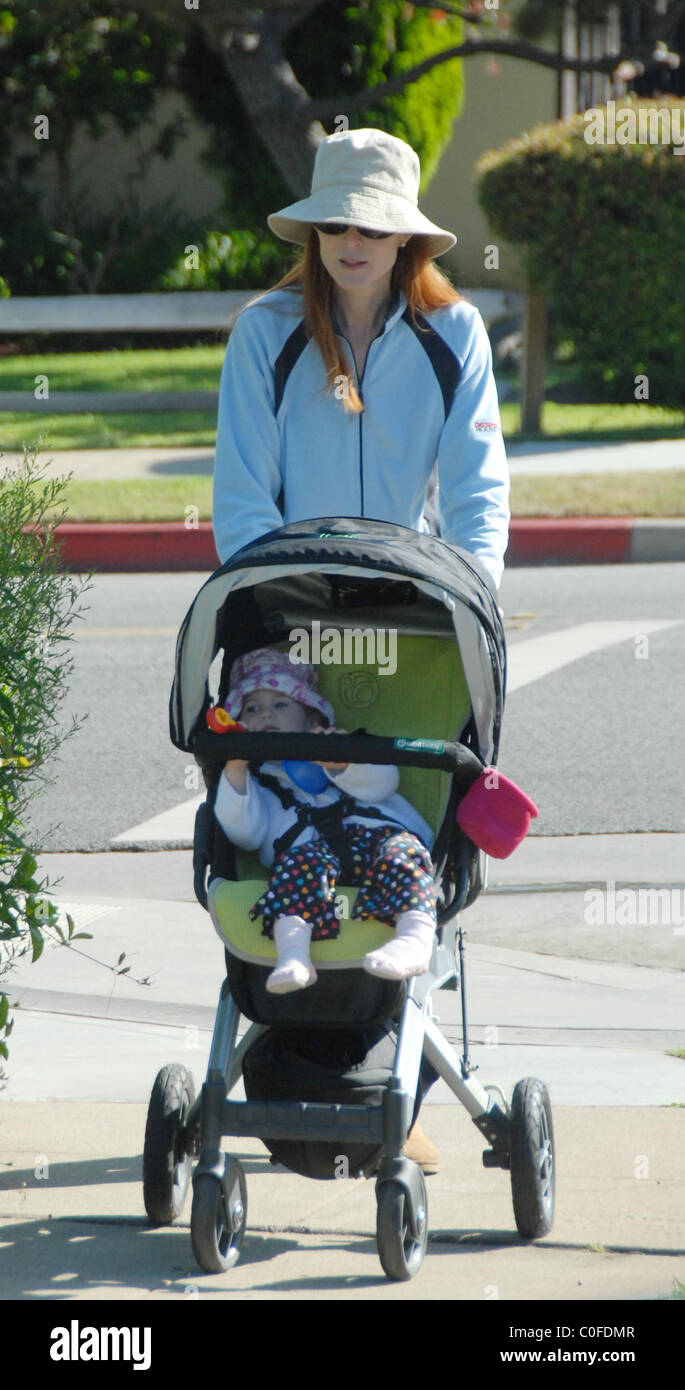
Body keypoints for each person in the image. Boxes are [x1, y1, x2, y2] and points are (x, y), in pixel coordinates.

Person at [212, 126, 509, 591]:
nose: (351, 242)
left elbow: (477, 491)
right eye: (334, 224)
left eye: (372, 227)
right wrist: (274, 598)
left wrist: (474, 592)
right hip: (292, 598)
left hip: (417, 595)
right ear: (316, 232)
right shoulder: (261, 332)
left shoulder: (457, 332)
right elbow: (242, 498)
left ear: (404, 236)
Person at [214, 647, 437, 996]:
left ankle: (413, 939)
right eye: (253, 708)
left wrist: (340, 762)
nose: (265, 715)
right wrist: (236, 765)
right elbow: (244, 834)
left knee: (403, 856)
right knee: (296, 868)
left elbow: (384, 784)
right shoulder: (257, 781)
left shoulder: (338, 747)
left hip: (380, 839)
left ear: (312, 719)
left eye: (281, 704)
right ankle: (293, 955)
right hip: (313, 856)